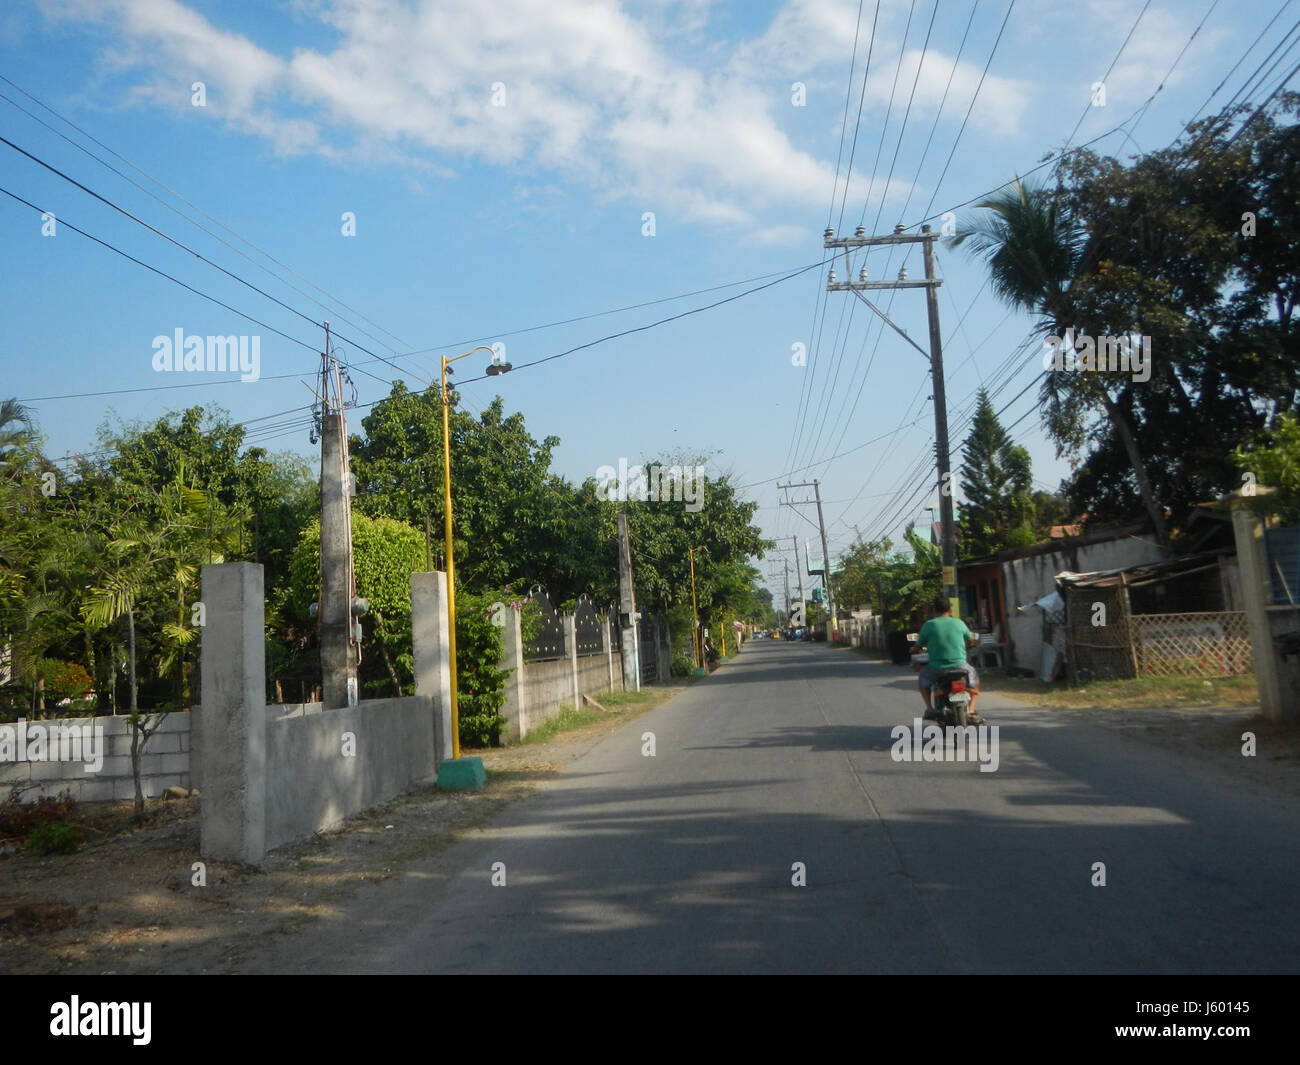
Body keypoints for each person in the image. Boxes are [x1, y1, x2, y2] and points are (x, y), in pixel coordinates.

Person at [912, 595, 982, 723]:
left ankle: (929, 708)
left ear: (934, 611)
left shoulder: (928, 625)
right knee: (975, 679)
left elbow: (918, 646)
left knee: (922, 679)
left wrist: (914, 649)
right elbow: (970, 638)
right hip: (961, 666)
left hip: (937, 668)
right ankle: (971, 710)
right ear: (950, 610)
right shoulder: (959, 623)